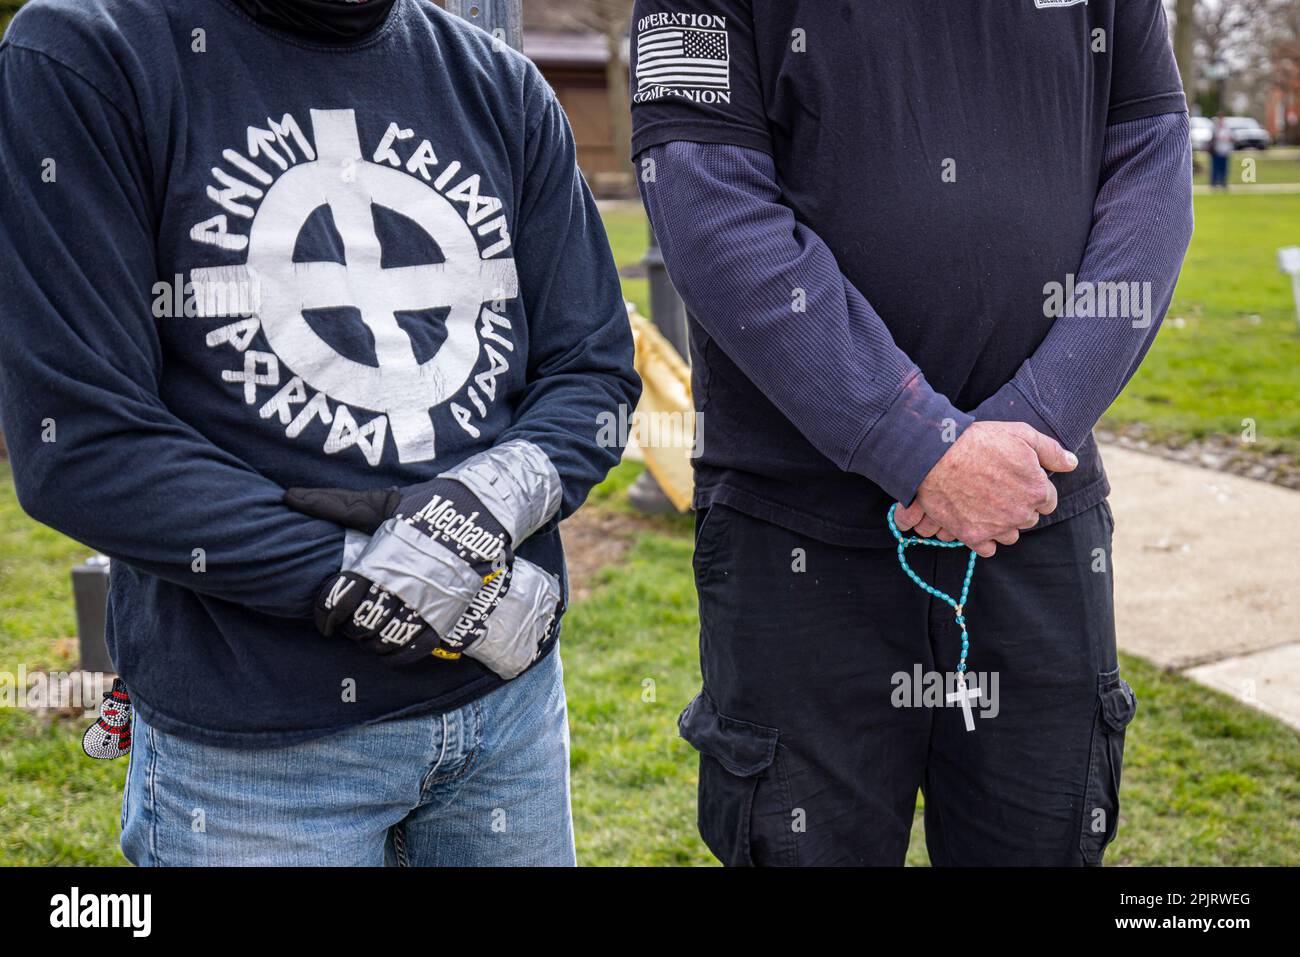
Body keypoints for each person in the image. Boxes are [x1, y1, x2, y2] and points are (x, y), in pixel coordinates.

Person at [0, 0, 640, 866]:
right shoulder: (89, 55)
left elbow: (592, 366)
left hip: (508, 713)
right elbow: (83, 439)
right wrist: (414, 585)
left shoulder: (498, 83)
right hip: (256, 756)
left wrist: (493, 494)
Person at [632, 0, 1192, 865]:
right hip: (800, 539)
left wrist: (1029, 424)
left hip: (1032, 518)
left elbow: (1151, 175)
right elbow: (711, 204)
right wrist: (918, 444)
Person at [1211, 112, 1234, 189]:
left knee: (1224, 168)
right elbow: (1213, 138)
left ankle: (1223, 182)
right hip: (1217, 151)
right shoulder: (1215, 128)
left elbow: (1231, 138)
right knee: (1215, 168)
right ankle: (1214, 183)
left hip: (1225, 151)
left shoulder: (1227, 128)